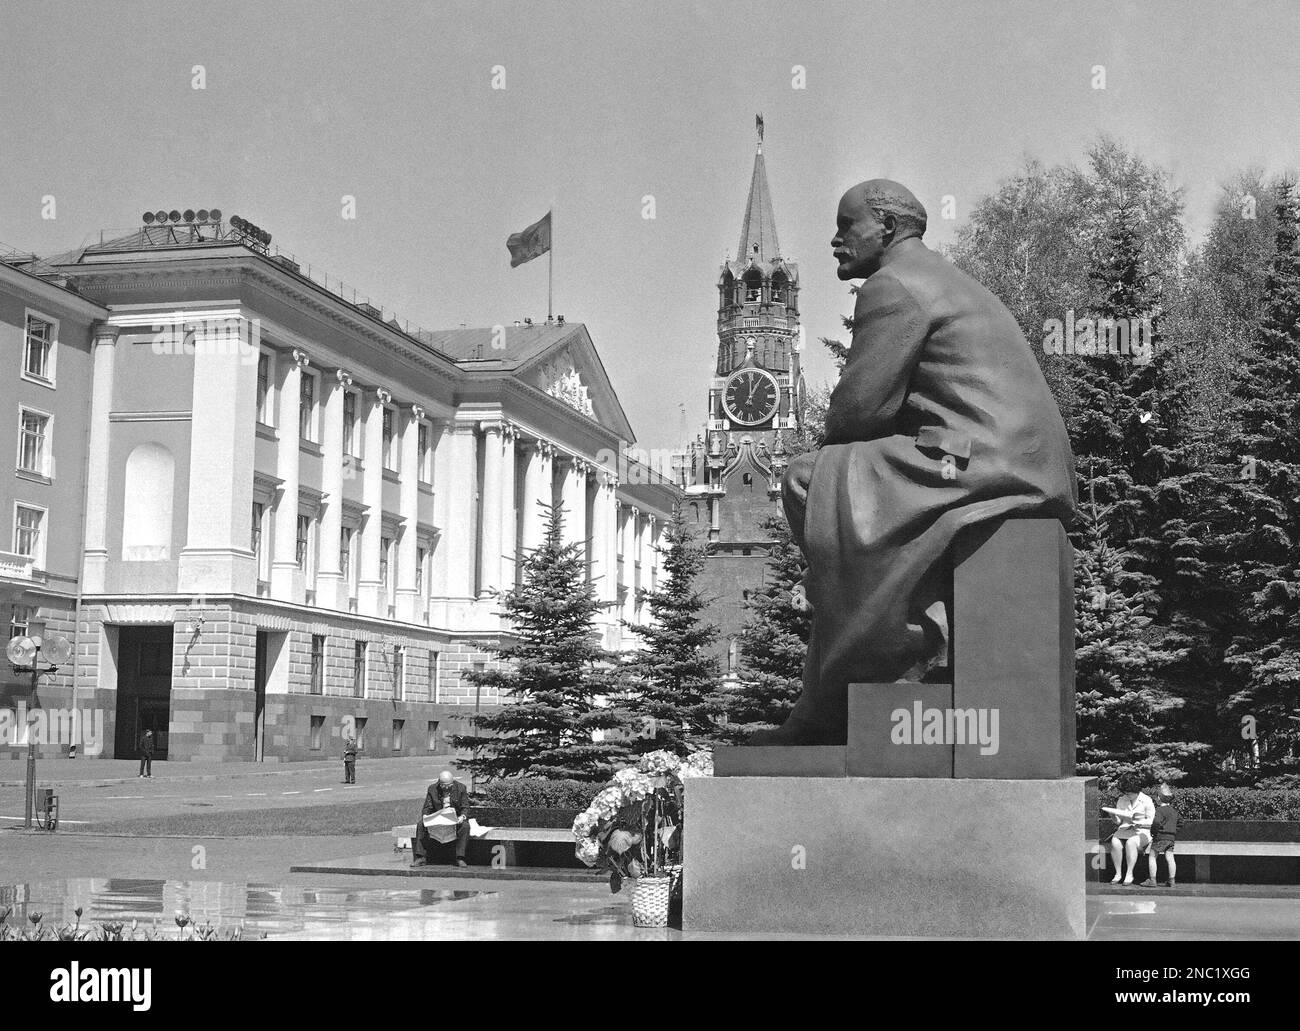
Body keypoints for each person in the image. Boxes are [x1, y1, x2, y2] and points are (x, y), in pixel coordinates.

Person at [754, 179, 1077, 745]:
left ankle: (864, 670)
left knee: (809, 481)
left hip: (978, 460)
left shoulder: (893, 285)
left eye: (846, 225)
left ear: (887, 226)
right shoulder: (944, 278)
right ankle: (889, 642)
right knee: (845, 491)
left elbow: (857, 413)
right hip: (1018, 458)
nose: (835, 240)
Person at [413, 769, 471, 868]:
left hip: (454, 819)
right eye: (443, 785)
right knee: (421, 825)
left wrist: (462, 816)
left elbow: (465, 807)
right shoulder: (432, 789)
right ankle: (420, 857)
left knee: (465, 826)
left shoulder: (461, 788)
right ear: (439, 783)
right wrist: (425, 816)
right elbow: (427, 807)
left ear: (453, 782)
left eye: (449, 786)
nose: (446, 788)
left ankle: (460, 858)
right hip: (438, 818)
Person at [1109, 775, 1155, 885]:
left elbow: (1152, 820)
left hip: (1142, 831)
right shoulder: (1122, 800)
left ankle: (1129, 874)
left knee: (1130, 843)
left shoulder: (1146, 800)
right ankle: (1118, 873)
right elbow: (1118, 821)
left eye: (1130, 792)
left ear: (1136, 790)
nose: (1127, 795)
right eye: (1125, 792)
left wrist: (1139, 822)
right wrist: (1113, 815)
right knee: (1115, 842)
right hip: (1125, 829)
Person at [1142, 783, 1179, 888]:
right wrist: (1173, 830)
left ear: (1158, 798)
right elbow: (1180, 822)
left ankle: (1152, 880)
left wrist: (1153, 832)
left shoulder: (1159, 810)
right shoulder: (1174, 811)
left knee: (1152, 856)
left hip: (1160, 837)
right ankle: (1172, 880)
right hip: (1171, 838)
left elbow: (1156, 822)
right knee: (1170, 858)